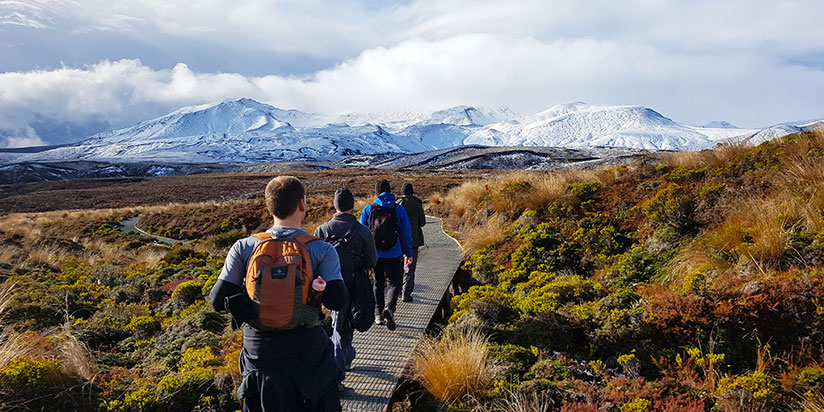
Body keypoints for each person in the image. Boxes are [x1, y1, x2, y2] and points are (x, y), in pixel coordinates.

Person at [209, 176, 346, 412]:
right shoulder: (321, 249)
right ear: (303, 204)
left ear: (269, 206)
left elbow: (217, 300)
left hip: (260, 355)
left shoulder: (244, 247)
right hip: (309, 355)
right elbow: (338, 300)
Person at [314, 188, 378, 378]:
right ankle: (339, 371)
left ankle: (345, 358)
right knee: (343, 327)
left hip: (330, 284)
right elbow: (372, 261)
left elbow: (315, 262)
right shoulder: (362, 231)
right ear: (352, 205)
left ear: (335, 205)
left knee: (338, 322)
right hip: (355, 282)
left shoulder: (322, 230)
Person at [359, 179, 413, 331]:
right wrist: (408, 253)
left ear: (376, 192)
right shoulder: (398, 209)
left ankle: (377, 314)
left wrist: (364, 255)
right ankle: (390, 308)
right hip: (394, 253)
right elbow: (406, 233)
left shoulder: (368, 209)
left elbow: (363, 234)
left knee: (378, 283)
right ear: (390, 191)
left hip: (375, 254)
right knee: (394, 283)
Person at [396, 182, 426, 302]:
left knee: (398, 267)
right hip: (413, 242)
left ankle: (397, 291)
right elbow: (422, 222)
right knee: (409, 268)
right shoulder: (417, 204)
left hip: (398, 242)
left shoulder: (397, 204)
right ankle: (406, 293)